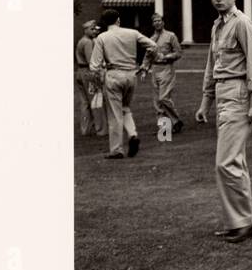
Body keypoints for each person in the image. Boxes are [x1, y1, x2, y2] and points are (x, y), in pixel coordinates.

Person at [195, 0, 252, 242]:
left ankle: (243, 223)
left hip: (239, 95)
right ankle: (237, 221)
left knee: (226, 163)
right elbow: (211, 67)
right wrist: (205, 101)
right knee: (232, 162)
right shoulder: (218, 26)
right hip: (224, 93)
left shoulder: (242, 24)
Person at [89, 9, 157, 159]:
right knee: (125, 108)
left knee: (114, 114)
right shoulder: (132, 33)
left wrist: (97, 81)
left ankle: (116, 149)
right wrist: (145, 65)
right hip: (131, 75)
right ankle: (132, 134)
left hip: (113, 75)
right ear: (118, 20)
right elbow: (153, 46)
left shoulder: (102, 38)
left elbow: (94, 65)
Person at [148, 12, 184, 135]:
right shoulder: (151, 39)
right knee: (157, 101)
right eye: (154, 21)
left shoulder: (170, 36)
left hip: (166, 68)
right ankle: (164, 129)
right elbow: (148, 56)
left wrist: (167, 56)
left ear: (163, 22)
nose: (157, 23)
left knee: (164, 98)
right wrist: (144, 67)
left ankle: (176, 120)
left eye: (159, 21)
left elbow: (178, 52)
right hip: (154, 69)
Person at [75, 20, 107, 140]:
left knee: (84, 103)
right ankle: (100, 129)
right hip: (88, 73)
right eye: (92, 29)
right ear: (86, 30)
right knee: (96, 101)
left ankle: (85, 129)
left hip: (80, 72)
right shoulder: (88, 42)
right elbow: (91, 62)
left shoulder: (82, 41)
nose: (95, 31)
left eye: (96, 29)